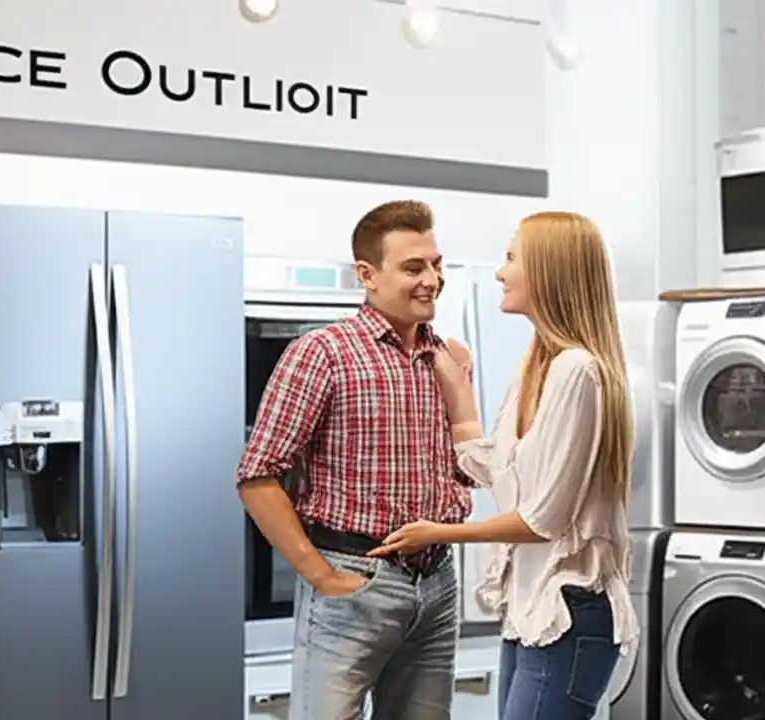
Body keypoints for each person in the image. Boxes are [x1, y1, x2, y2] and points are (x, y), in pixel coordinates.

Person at [370, 211, 638, 719]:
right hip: (532, 609)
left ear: (549, 270)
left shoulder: (577, 371)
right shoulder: (538, 361)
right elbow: (492, 466)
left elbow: (543, 520)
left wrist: (437, 534)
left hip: (570, 611)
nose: (499, 272)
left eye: (511, 258)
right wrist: (458, 386)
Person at [237, 200, 473, 720]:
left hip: (436, 582)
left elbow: (465, 473)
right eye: (413, 268)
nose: (431, 280)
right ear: (367, 275)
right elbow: (257, 476)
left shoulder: (446, 359)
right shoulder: (323, 353)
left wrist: (464, 394)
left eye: (436, 265)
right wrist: (320, 575)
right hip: (355, 578)